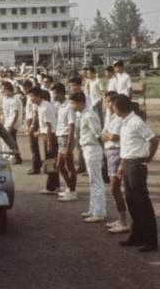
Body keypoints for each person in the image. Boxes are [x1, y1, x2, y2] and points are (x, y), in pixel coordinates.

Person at [117, 95, 159, 250]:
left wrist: (148, 158)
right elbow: (126, 146)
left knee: (142, 202)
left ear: (119, 107)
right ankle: (137, 236)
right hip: (128, 163)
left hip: (136, 164)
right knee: (132, 201)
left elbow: (154, 140)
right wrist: (122, 164)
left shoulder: (136, 122)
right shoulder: (125, 122)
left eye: (114, 106)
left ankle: (150, 240)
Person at [100, 92, 130, 235]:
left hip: (116, 152)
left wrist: (107, 136)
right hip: (110, 151)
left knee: (115, 188)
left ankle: (124, 221)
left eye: (108, 102)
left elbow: (112, 136)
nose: (107, 105)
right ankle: (121, 219)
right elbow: (104, 134)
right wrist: (106, 136)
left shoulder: (119, 119)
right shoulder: (111, 117)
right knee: (114, 189)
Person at [74, 93, 105, 223]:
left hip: (93, 148)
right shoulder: (83, 114)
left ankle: (98, 212)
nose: (72, 106)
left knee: (96, 181)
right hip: (87, 148)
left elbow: (98, 134)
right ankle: (93, 209)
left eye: (73, 103)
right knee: (92, 181)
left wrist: (104, 152)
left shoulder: (89, 115)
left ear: (80, 102)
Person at [51, 85, 78, 201]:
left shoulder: (69, 106)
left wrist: (69, 146)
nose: (53, 96)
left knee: (69, 166)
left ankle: (72, 192)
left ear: (61, 93)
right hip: (60, 137)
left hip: (66, 138)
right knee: (60, 166)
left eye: (55, 93)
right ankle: (70, 188)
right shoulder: (60, 105)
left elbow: (72, 126)